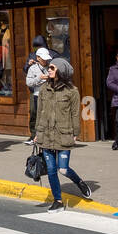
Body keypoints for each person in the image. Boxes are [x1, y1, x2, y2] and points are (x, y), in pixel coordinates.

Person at [34, 58, 91, 209]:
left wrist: (75, 133)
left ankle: (78, 181)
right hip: (46, 134)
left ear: (61, 71)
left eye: (52, 68)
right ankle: (57, 201)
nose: (49, 70)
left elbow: (75, 114)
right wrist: (37, 132)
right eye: (49, 68)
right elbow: (39, 112)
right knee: (52, 170)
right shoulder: (44, 89)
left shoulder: (72, 91)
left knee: (63, 169)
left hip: (64, 133)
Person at [23, 34, 48, 143]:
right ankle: (34, 135)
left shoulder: (51, 54)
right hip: (35, 91)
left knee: (46, 114)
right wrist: (29, 64)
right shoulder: (32, 55)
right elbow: (26, 70)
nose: (38, 48)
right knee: (34, 113)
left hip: (48, 91)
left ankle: (46, 135)